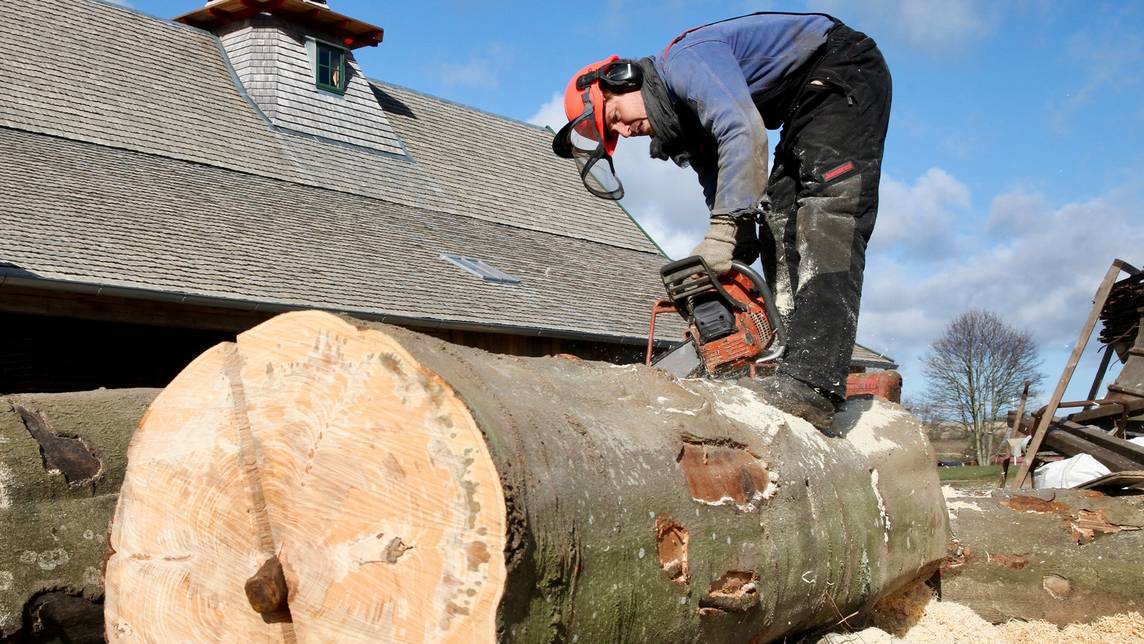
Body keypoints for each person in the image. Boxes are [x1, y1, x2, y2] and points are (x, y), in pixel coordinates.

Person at [552, 12, 891, 430]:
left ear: (621, 79)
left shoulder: (685, 62)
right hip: (803, 102)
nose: (624, 129)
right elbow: (717, 175)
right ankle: (786, 351)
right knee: (779, 217)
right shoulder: (684, 124)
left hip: (842, 68)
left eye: (615, 115)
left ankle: (814, 383)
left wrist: (721, 234)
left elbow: (742, 129)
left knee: (827, 213)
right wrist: (742, 235)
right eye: (615, 133)